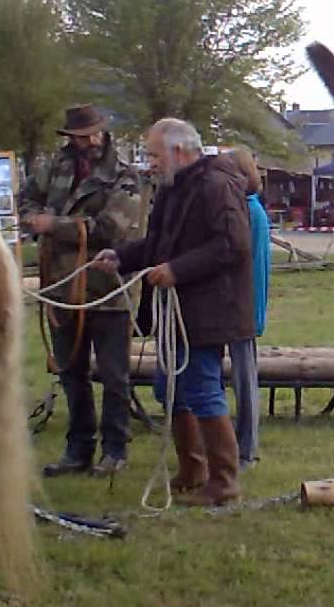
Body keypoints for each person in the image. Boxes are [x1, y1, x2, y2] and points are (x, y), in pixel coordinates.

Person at [91, 118, 254, 507]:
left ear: (179, 151)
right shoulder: (173, 189)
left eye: (152, 154)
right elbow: (159, 244)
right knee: (171, 387)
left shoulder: (216, 185)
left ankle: (225, 481)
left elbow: (234, 244)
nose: (149, 163)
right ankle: (193, 469)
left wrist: (178, 270)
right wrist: (121, 256)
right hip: (176, 310)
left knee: (200, 388)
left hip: (207, 311)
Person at [18, 104, 140, 479]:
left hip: (107, 291)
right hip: (60, 288)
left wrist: (51, 225)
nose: (86, 142)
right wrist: (35, 219)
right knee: (70, 372)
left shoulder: (125, 176)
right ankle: (78, 449)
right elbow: (25, 200)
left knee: (114, 375)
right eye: (78, 136)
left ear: (102, 134)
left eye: (91, 134)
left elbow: (110, 228)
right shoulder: (54, 168)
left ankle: (115, 449)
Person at [223, 148, 270, 469]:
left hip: (242, 306)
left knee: (244, 378)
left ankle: (247, 448)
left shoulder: (249, 212)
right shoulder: (245, 209)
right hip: (237, 304)